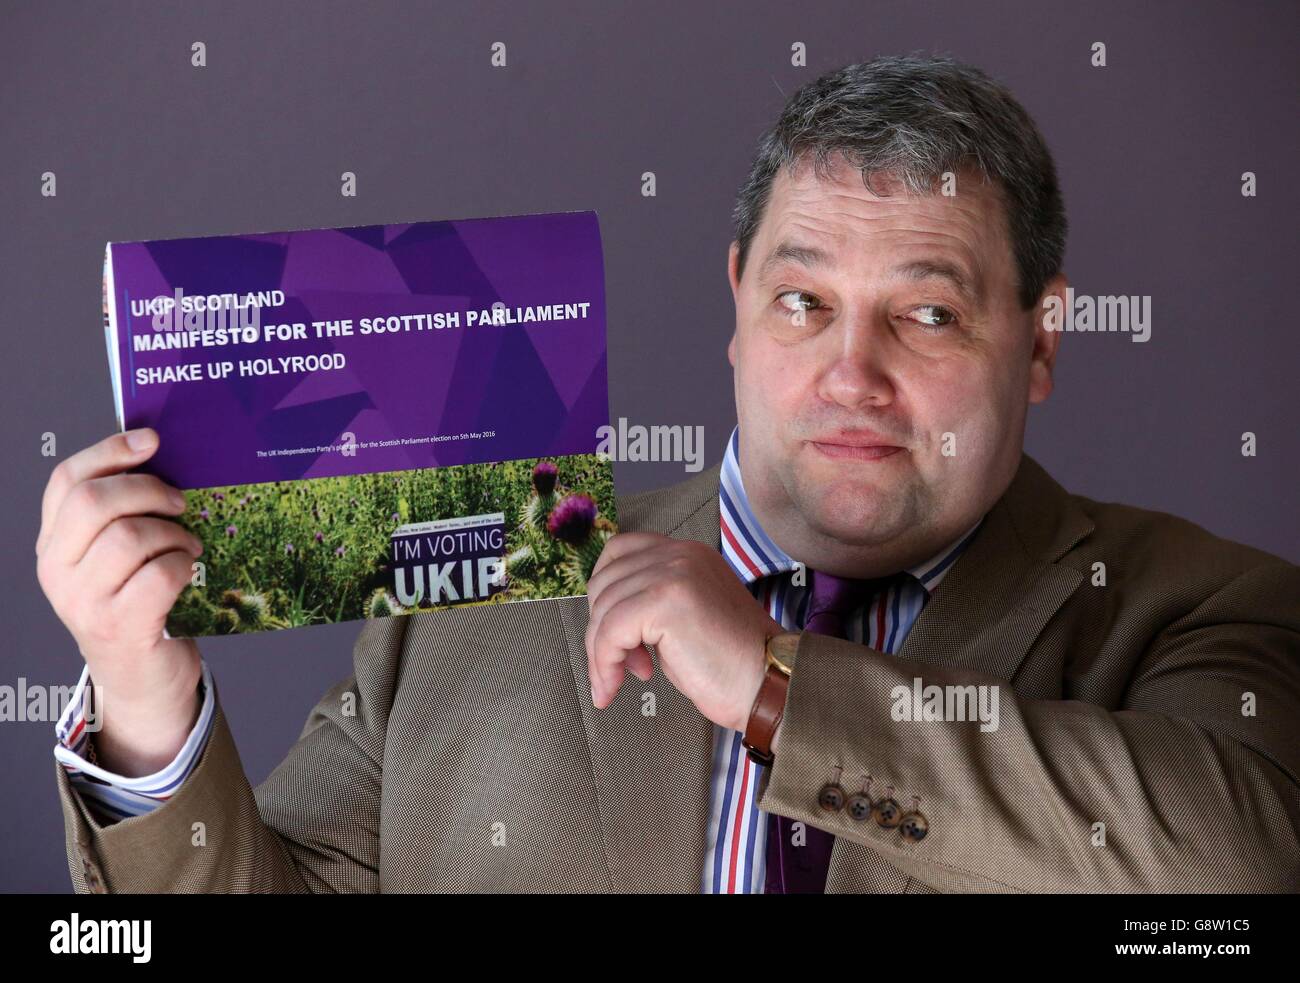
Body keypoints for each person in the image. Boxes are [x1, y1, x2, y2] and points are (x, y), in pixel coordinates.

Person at [38, 56, 1300, 893]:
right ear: (737, 302)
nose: (850, 374)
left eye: (925, 315)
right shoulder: (488, 589)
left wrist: (770, 680)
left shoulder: (1201, 601)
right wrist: (145, 696)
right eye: (803, 300)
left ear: (1039, 337)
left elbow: (1241, 870)